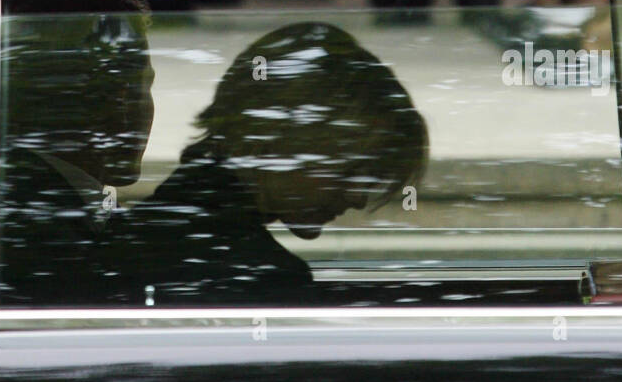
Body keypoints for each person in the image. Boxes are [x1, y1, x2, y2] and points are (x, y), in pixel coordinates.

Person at [107, 22, 429, 307]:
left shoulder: (141, 235)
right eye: (350, 171)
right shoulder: (265, 283)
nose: (358, 198)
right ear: (270, 139)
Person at [0, 4, 156, 307]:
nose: (145, 108)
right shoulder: (45, 235)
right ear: (115, 99)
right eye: (141, 87)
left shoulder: (16, 204)